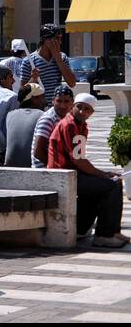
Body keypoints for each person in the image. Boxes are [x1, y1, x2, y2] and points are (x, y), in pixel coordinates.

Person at [47, 93, 128, 247]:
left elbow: (79, 159)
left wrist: (102, 174)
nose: (83, 111)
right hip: (63, 175)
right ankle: (104, 234)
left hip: (72, 173)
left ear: (92, 113)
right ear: (73, 107)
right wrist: (103, 174)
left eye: (87, 109)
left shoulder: (81, 125)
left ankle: (90, 229)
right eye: (80, 107)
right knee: (111, 186)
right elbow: (78, 160)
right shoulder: (70, 125)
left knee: (111, 183)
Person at [23, 24, 78, 107]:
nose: (60, 42)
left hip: (57, 109)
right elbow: (22, 93)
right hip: (38, 110)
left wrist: (58, 60)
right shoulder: (29, 61)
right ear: (45, 40)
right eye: (56, 38)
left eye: (60, 38)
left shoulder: (62, 57)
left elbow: (72, 83)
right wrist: (33, 79)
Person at [3, 83, 47, 168]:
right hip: (32, 167)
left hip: (9, 166)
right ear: (34, 99)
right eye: (43, 97)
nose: (45, 101)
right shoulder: (43, 116)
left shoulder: (10, 115)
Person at [32, 85, 75, 168]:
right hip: (45, 169)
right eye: (59, 101)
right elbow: (38, 152)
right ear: (53, 101)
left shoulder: (69, 117)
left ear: (72, 102)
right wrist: (56, 167)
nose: (62, 105)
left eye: (66, 101)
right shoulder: (48, 119)